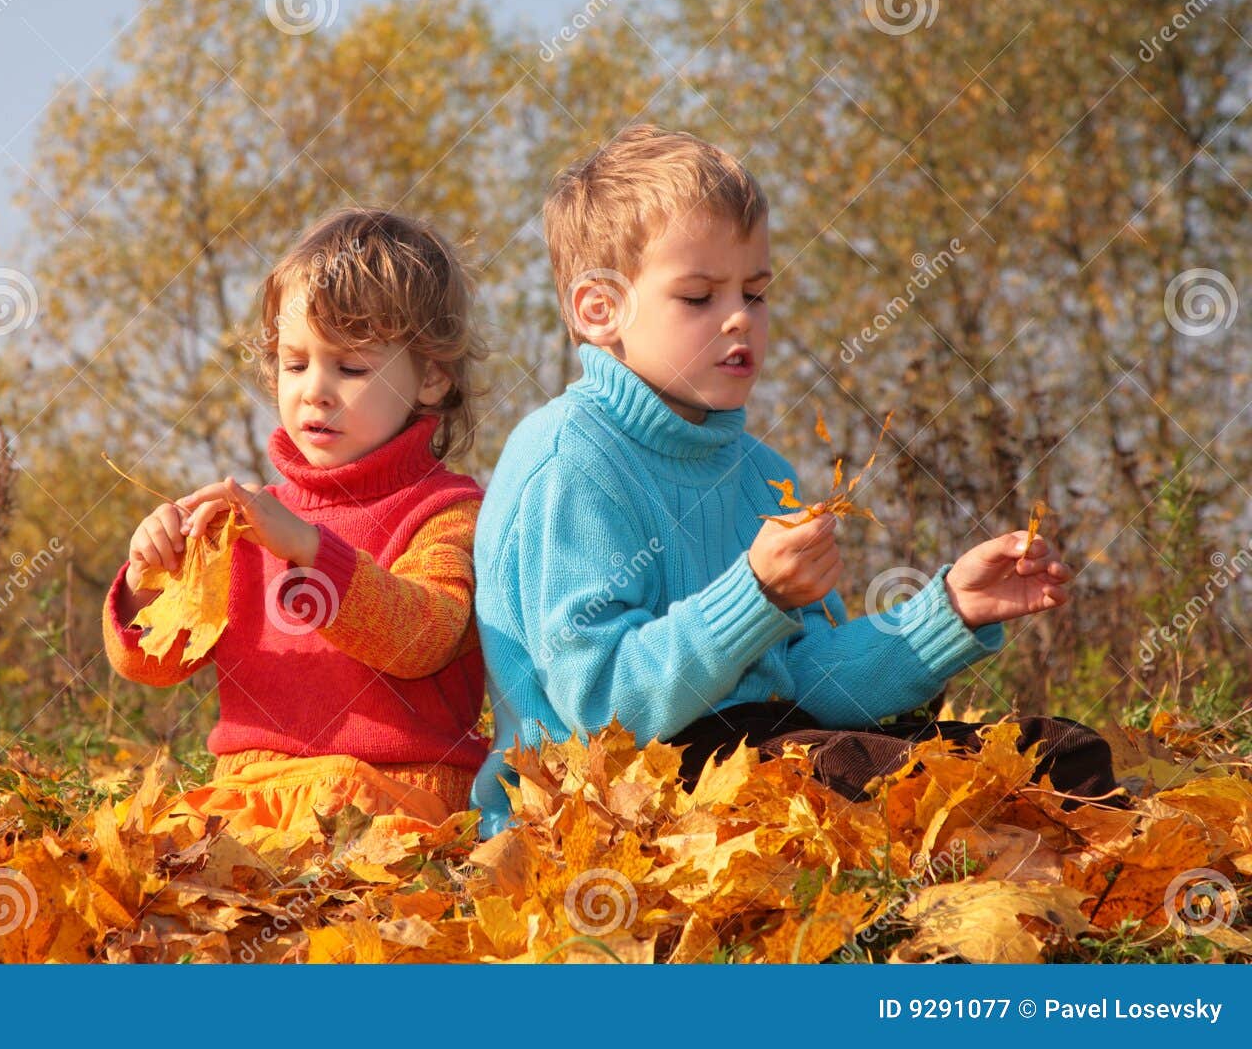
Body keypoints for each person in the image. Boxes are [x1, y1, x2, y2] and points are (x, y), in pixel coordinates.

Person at [470, 123, 1120, 838]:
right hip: (609, 799)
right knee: (861, 771)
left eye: (756, 291)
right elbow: (601, 708)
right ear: (601, 310)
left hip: (768, 744)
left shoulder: (760, 472)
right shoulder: (568, 459)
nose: (739, 319)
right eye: (698, 297)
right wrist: (753, 595)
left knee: (1060, 754)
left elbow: (813, 680)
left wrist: (950, 612)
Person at [103, 207, 489, 836]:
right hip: (252, 794)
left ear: (431, 378)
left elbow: (425, 637)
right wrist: (151, 579)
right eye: (295, 362)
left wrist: (311, 550)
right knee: (142, 844)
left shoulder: (445, 511)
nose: (315, 390)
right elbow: (155, 664)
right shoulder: (244, 519)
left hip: (393, 795)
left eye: (352, 367)